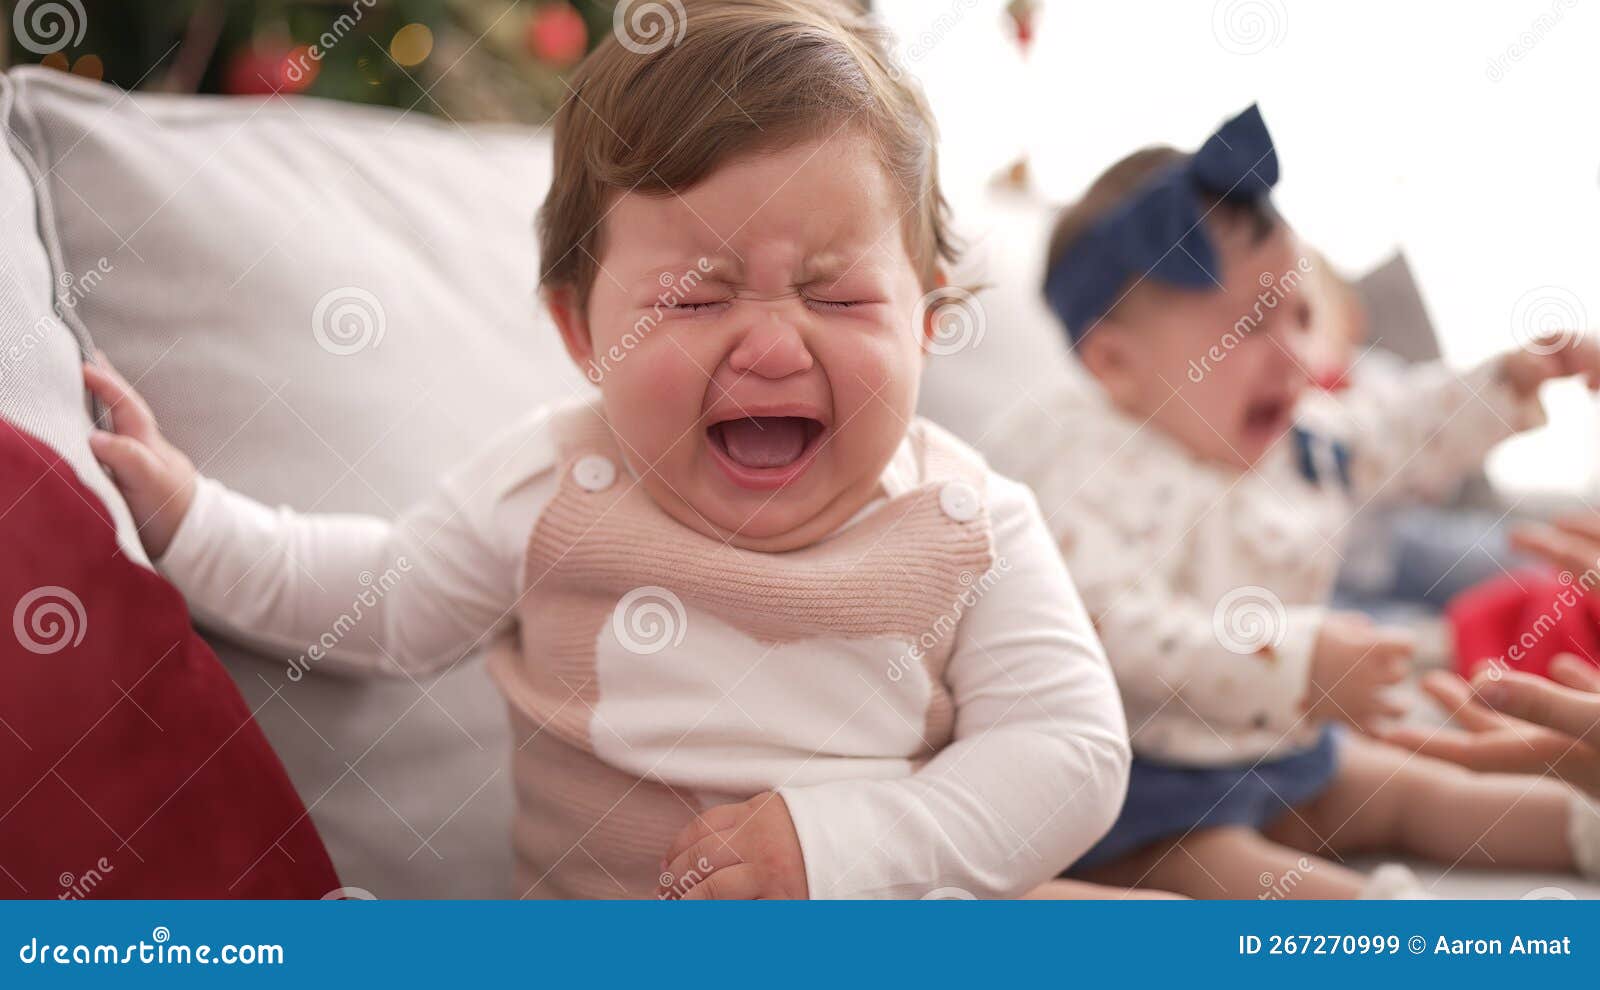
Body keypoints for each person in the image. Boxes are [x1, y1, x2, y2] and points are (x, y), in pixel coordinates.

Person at [82, 0, 1132, 900]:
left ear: (928, 324)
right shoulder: (552, 489)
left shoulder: (974, 526)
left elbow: (1071, 754)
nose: (773, 347)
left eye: (839, 296)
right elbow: (378, 601)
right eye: (695, 299)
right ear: (582, 333)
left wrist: (838, 849)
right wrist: (188, 518)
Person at [988, 103, 1600, 898]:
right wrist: (1293, 662)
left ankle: (1580, 827)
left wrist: (1507, 380)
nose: (1295, 357)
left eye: (1300, 315)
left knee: (1415, 791)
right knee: (1216, 865)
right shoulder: (1085, 466)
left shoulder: (1296, 438)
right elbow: (1115, 630)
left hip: (1281, 747)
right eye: (1249, 326)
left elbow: (1397, 430)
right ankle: (1386, 925)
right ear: (1115, 363)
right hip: (1148, 782)